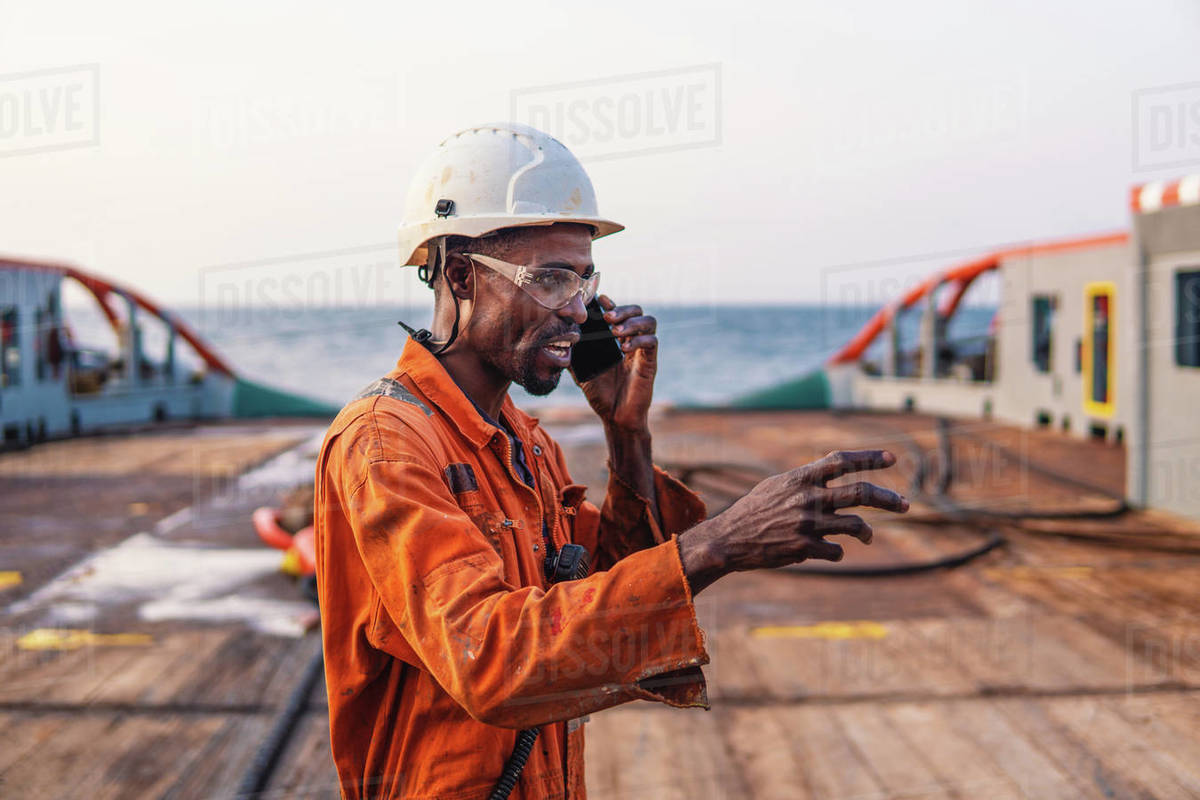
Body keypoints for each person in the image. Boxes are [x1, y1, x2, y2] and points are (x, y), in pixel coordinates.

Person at [313, 123, 909, 800]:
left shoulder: (524, 442)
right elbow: (488, 660)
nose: (577, 310)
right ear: (460, 275)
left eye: (584, 279)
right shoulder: (385, 444)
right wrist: (719, 542)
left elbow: (603, 597)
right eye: (550, 279)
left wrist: (627, 433)